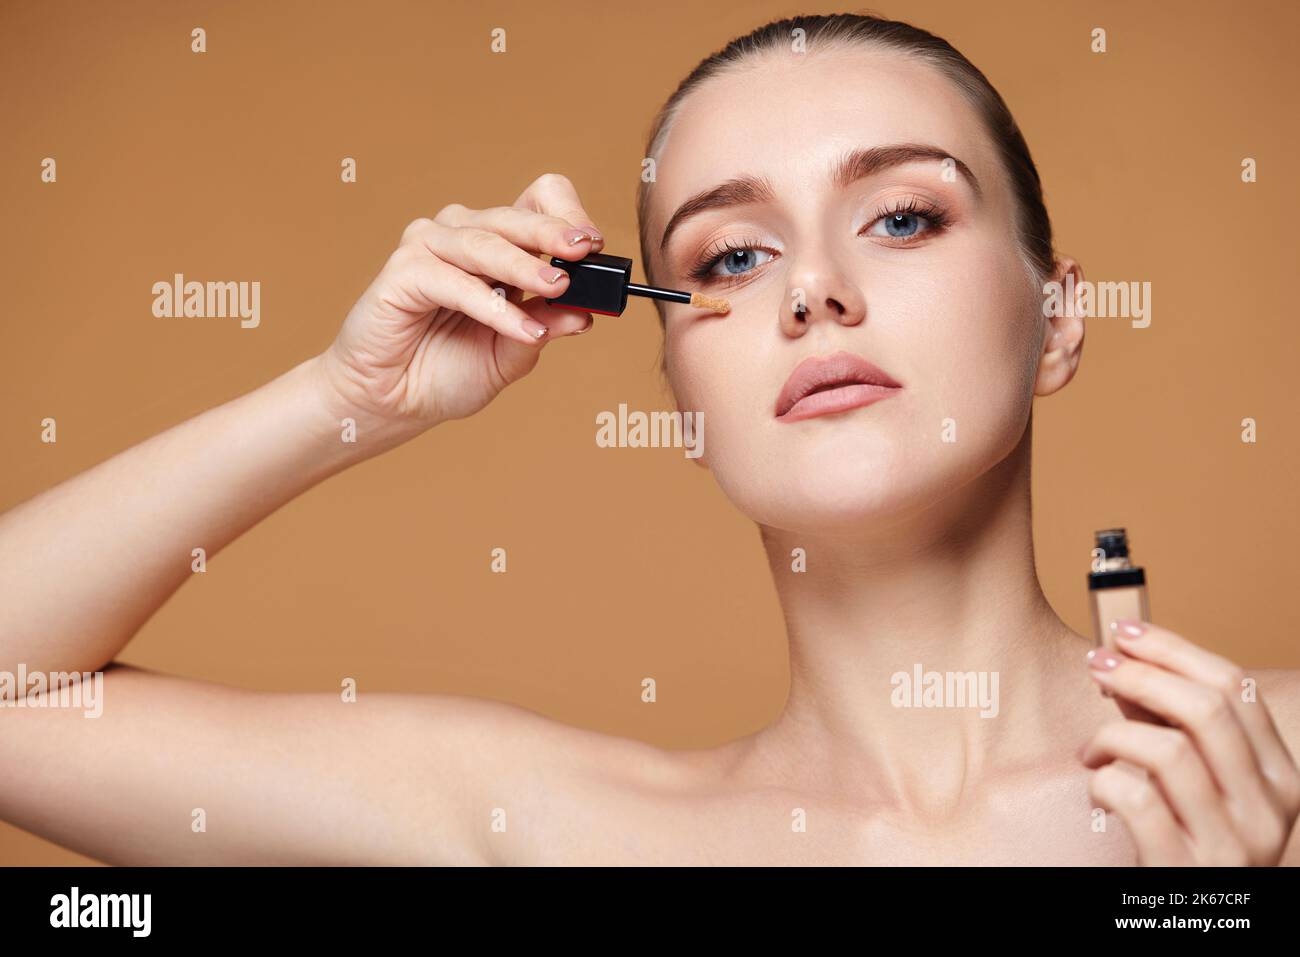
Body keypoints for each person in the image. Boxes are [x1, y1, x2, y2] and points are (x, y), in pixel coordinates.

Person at [2, 12, 1298, 866]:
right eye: (734, 253)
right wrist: (349, 396)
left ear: (1059, 318)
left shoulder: (1276, 768)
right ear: (681, 394)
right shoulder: (555, 832)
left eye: (901, 218)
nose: (813, 293)